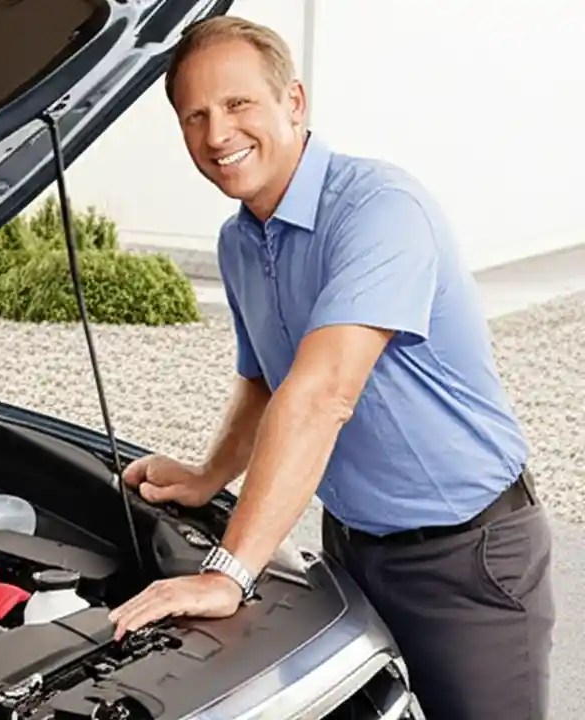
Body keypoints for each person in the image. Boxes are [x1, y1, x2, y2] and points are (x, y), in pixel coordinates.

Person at [106, 15, 554, 719]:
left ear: (294, 102)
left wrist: (229, 572)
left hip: (467, 557)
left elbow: (319, 396)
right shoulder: (239, 241)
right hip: (351, 547)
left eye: (237, 104)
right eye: (194, 115)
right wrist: (208, 476)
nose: (217, 133)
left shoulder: (380, 211)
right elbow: (264, 381)